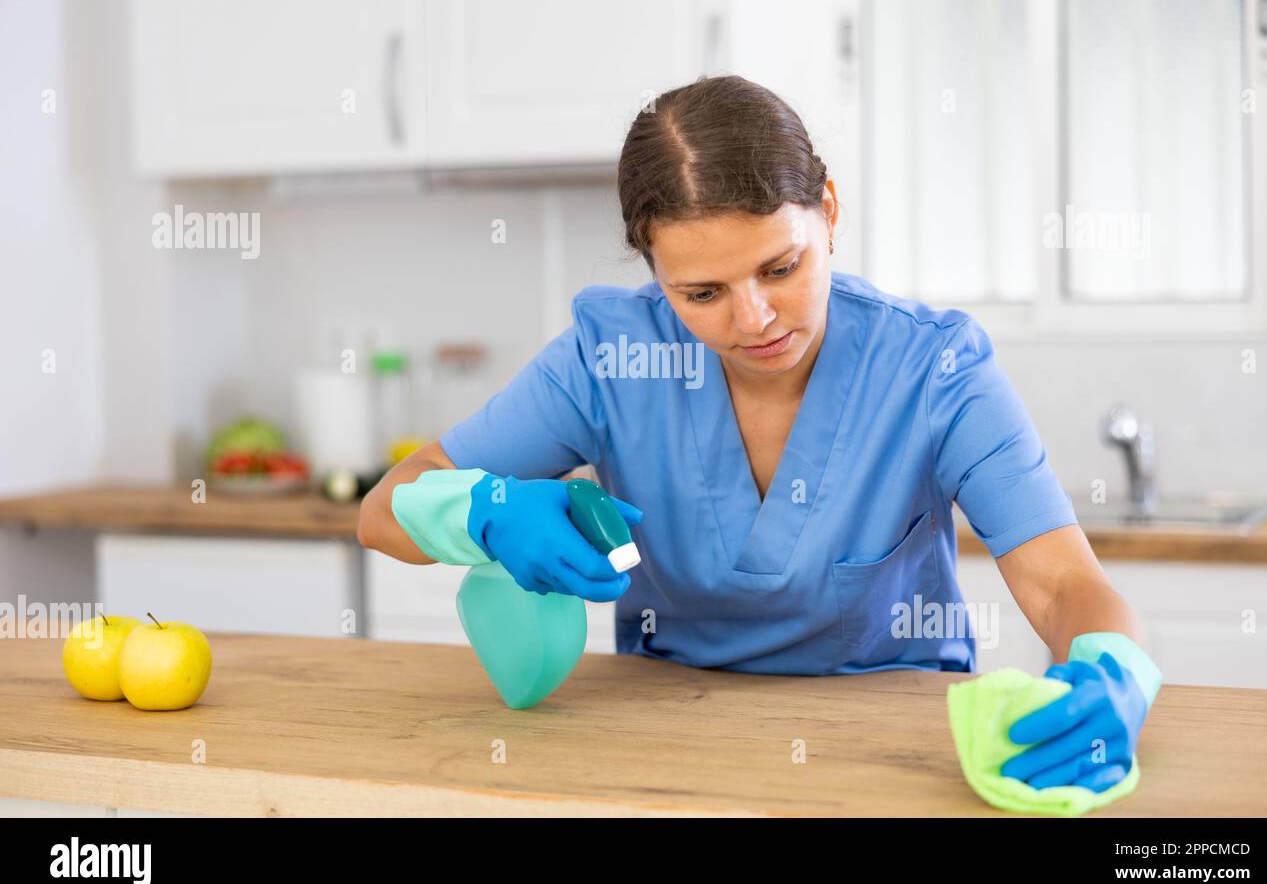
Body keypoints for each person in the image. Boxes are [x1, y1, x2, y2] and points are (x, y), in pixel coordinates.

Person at [358, 75, 1160, 793]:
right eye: (702, 291)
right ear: (654, 273)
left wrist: (1113, 671)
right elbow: (384, 508)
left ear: (830, 212)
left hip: (894, 759)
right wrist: (480, 508)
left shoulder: (934, 368)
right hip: (662, 750)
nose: (754, 320)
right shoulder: (609, 359)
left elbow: (1061, 582)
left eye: (781, 268)